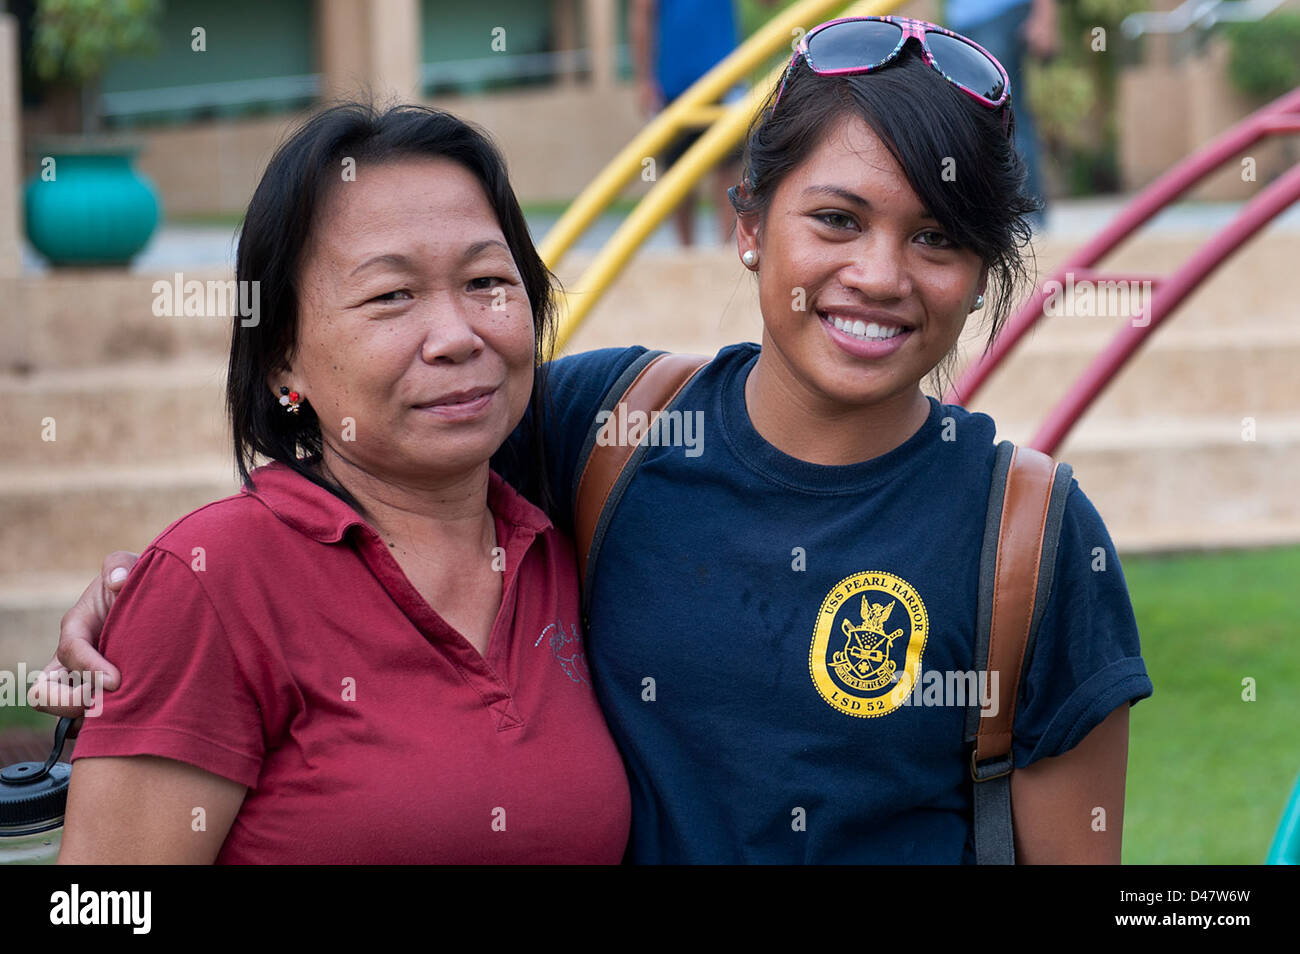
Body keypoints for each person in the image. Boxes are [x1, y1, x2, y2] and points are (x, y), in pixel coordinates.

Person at [40, 17, 1152, 864]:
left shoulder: (1031, 538)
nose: (877, 275)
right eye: (835, 219)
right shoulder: (602, 431)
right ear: (747, 222)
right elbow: (335, 506)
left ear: (985, 272)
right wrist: (142, 595)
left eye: (938, 239)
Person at [48, 103, 631, 864]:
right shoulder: (214, 583)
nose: (458, 337)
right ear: (282, 357)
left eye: (488, 280)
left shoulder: (566, 544)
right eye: (392, 295)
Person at [631, 0, 745, 245]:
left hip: (724, 78)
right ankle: (686, 252)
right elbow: (641, 15)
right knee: (678, 175)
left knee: (727, 169)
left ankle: (727, 250)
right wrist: (643, 80)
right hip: (674, 84)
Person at [944, 0, 1058, 231]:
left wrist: (1044, 19)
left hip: (1001, 14)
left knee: (1005, 117)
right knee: (968, 120)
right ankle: (985, 215)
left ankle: (1028, 214)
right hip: (961, 20)